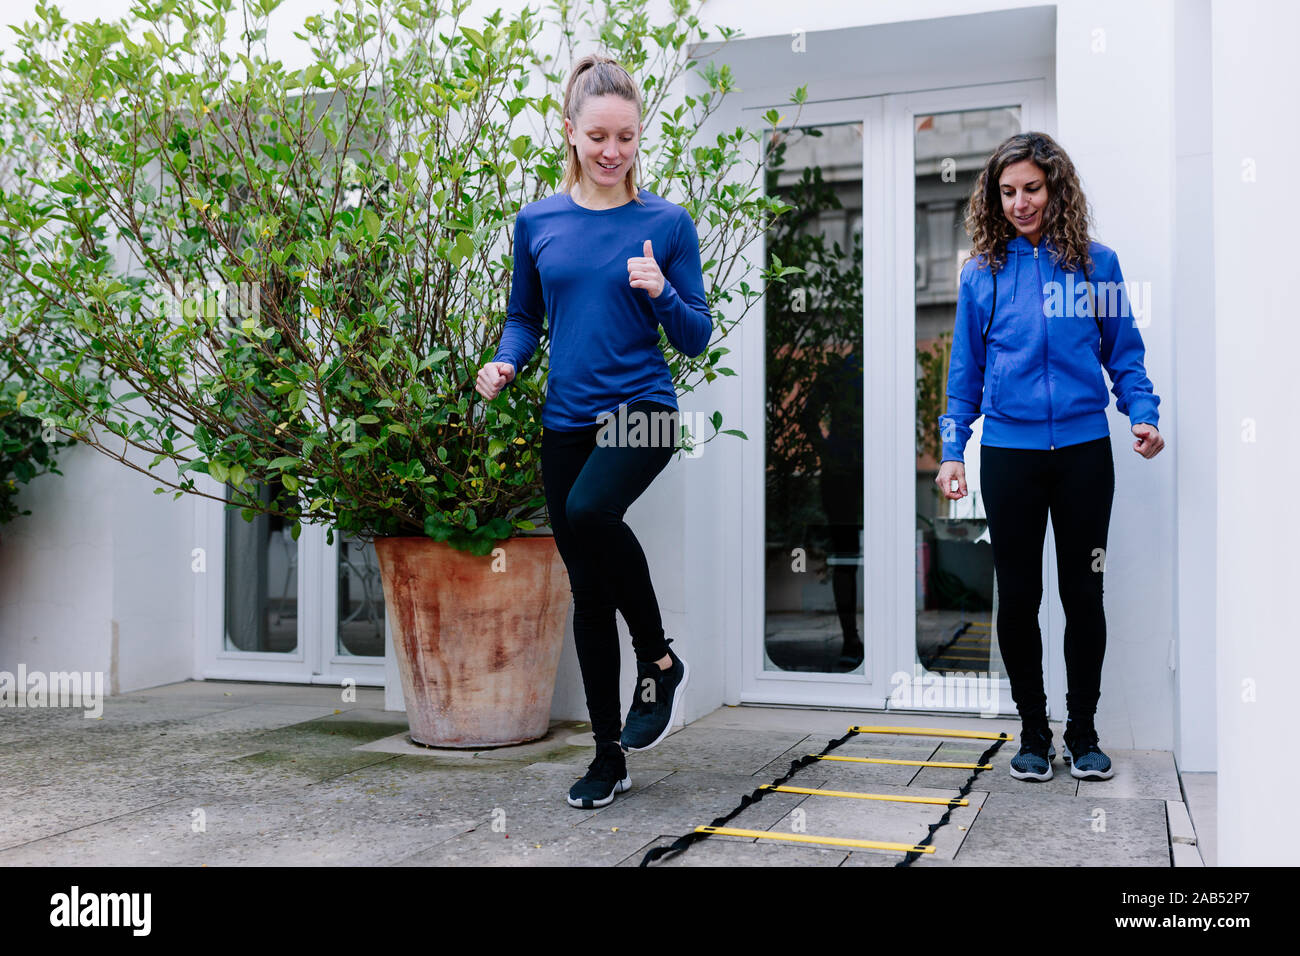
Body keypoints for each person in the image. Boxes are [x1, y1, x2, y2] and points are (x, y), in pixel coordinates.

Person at [475, 53, 712, 809]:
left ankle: (659, 659)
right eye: (599, 137)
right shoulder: (538, 221)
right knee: (586, 591)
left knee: (587, 513)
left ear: (640, 139)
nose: (613, 153)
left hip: (643, 408)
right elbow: (524, 318)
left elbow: (697, 336)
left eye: (628, 139)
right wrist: (506, 363)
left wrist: (663, 292)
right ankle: (609, 754)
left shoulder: (666, 225)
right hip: (566, 420)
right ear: (571, 133)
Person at [937, 131, 1164, 783]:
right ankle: (1034, 733)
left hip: (1085, 454)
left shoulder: (1098, 265)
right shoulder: (982, 274)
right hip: (1009, 454)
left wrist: (1142, 417)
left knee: (1082, 592)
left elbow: (1126, 356)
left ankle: (1084, 732)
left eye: (1031, 189)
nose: (1019, 203)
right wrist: (953, 450)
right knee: (1019, 596)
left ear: (1055, 187)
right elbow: (964, 373)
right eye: (1006, 192)